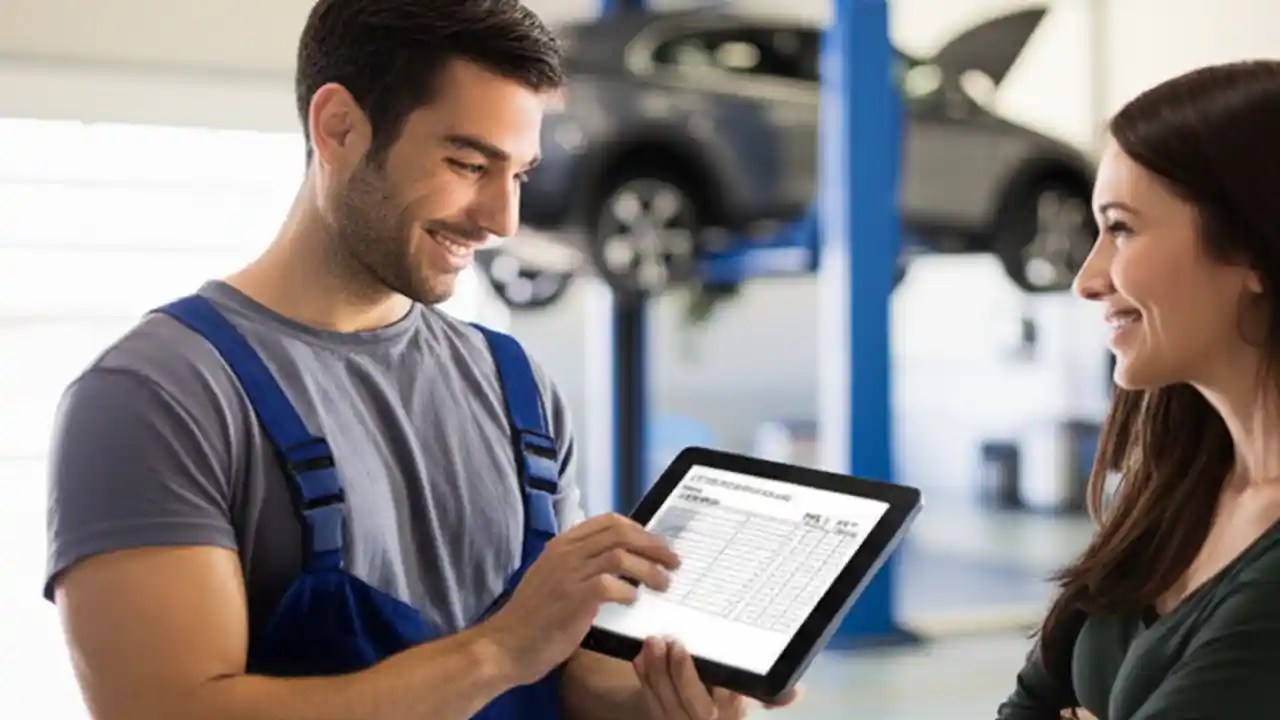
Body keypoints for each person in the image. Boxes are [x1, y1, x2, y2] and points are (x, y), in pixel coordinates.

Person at [42, 2, 799, 719]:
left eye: (519, 175)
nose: (502, 219)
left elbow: (556, 670)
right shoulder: (157, 397)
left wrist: (654, 700)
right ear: (339, 128)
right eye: (468, 164)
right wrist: (497, 651)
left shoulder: (515, 388)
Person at [998, 59, 1280, 719]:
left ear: (1252, 248)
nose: (1087, 280)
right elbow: (1027, 706)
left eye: (1121, 229)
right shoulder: (1177, 485)